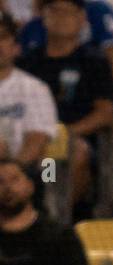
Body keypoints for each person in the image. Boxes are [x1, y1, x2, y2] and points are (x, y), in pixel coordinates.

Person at [18, 0, 113, 210]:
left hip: (73, 140)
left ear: (82, 19)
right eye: (55, 11)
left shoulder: (94, 62)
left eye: (68, 12)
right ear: (43, 17)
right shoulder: (27, 62)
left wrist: (67, 133)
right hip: (30, 139)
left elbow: (106, 113)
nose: (61, 17)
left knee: (61, 157)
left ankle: (54, 216)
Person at [0, 158, 89, 265]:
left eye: (14, 179)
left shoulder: (60, 236)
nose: (8, 187)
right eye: (0, 182)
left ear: (30, 186)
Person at [0, 13, 58, 165]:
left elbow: (37, 140)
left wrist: (12, 172)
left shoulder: (34, 88)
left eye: (3, 37)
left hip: (24, 172)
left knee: (49, 162)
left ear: (16, 48)